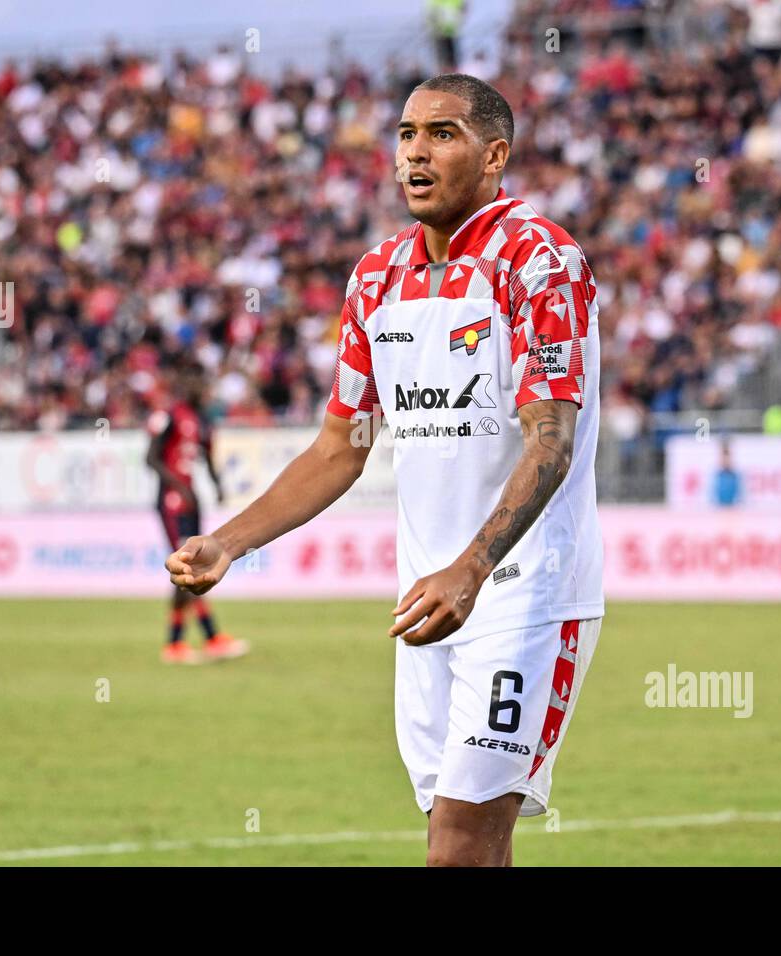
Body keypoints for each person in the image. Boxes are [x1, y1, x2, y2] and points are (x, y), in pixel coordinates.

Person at [165, 74, 603, 866]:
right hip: (426, 605)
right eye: (406, 134)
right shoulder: (376, 277)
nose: (415, 153)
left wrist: (471, 568)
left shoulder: (540, 261)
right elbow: (341, 446)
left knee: (460, 845)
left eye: (442, 133)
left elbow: (550, 440)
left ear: (495, 154)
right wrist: (229, 542)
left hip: (523, 592)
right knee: (461, 837)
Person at [146, 360, 248, 664]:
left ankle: (191, 641)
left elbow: (206, 454)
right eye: (194, 383)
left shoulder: (200, 419)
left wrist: (216, 484)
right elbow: (150, 458)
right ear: (184, 385)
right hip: (172, 503)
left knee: (195, 566)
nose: (199, 389)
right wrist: (179, 486)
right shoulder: (168, 415)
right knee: (186, 568)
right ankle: (194, 640)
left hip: (191, 501)